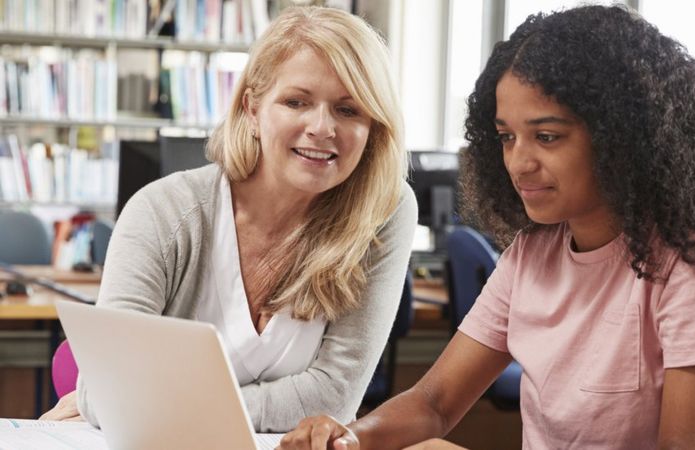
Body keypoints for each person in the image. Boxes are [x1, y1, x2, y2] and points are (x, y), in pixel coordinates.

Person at [277, 5, 695, 449]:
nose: (518, 163)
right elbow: (435, 403)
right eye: (507, 137)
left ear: (622, 137)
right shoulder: (533, 253)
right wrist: (350, 437)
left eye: (546, 137)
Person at [40, 6, 417, 433]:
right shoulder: (162, 212)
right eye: (296, 102)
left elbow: (334, 396)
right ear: (252, 109)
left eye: (349, 110)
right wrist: (120, 401)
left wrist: (158, 405)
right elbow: (106, 391)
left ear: (373, 126)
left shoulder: (382, 209)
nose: (321, 127)